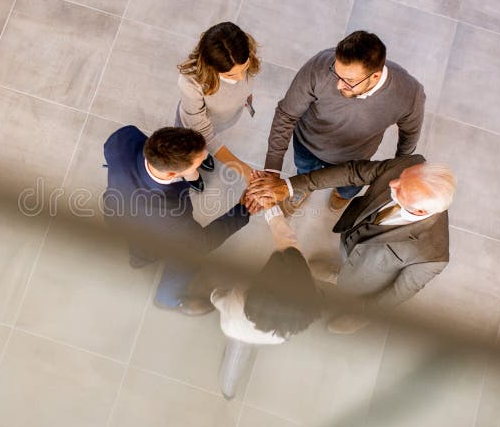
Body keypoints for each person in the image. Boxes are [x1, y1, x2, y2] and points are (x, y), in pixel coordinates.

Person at [247, 155, 454, 334]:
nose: (393, 183)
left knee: (353, 296)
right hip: (351, 240)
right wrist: (290, 186)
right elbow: (354, 172)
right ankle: (339, 273)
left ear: (420, 211)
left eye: (401, 190)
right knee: (345, 260)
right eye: (400, 177)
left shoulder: (432, 256)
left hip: (365, 282)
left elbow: (396, 294)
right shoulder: (411, 164)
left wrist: (361, 316)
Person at [263, 30, 425, 212]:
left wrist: (400, 169)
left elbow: (409, 135)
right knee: (305, 173)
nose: (339, 85)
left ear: (375, 77)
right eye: (336, 73)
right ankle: (303, 188)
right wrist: (272, 170)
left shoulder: (409, 94)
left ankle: (342, 195)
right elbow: (287, 114)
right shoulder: (319, 66)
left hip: (354, 160)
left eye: (348, 80)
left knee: (348, 189)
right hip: (307, 144)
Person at [103, 125, 252, 315]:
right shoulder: (172, 214)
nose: (205, 161)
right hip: (144, 232)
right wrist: (243, 208)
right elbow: (202, 241)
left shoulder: (122, 139)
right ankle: (167, 299)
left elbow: (111, 151)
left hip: (114, 211)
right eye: (197, 164)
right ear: (172, 174)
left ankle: (138, 258)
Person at [208, 203, 322, 399]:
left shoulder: (240, 299)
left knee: (236, 354)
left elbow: (221, 301)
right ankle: (229, 388)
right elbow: (289, 244)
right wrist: (271, 206)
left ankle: (228, 388)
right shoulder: (301, 290)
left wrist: (214, 295)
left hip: (238, 330)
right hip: (274, 336)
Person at [176, 22, 261, 192]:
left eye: (244, 68)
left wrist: (246, 96)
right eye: (230, 75)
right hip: (192, 128)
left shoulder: (246, 53)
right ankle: (190, 174)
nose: (239, 78)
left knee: (206, 148)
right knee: (187, 154)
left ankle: (205, 154)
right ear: (211, 67)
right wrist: (243, 169)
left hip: (220, 120)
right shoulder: (191, 83)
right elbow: (204, 132)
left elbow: (244, 83)